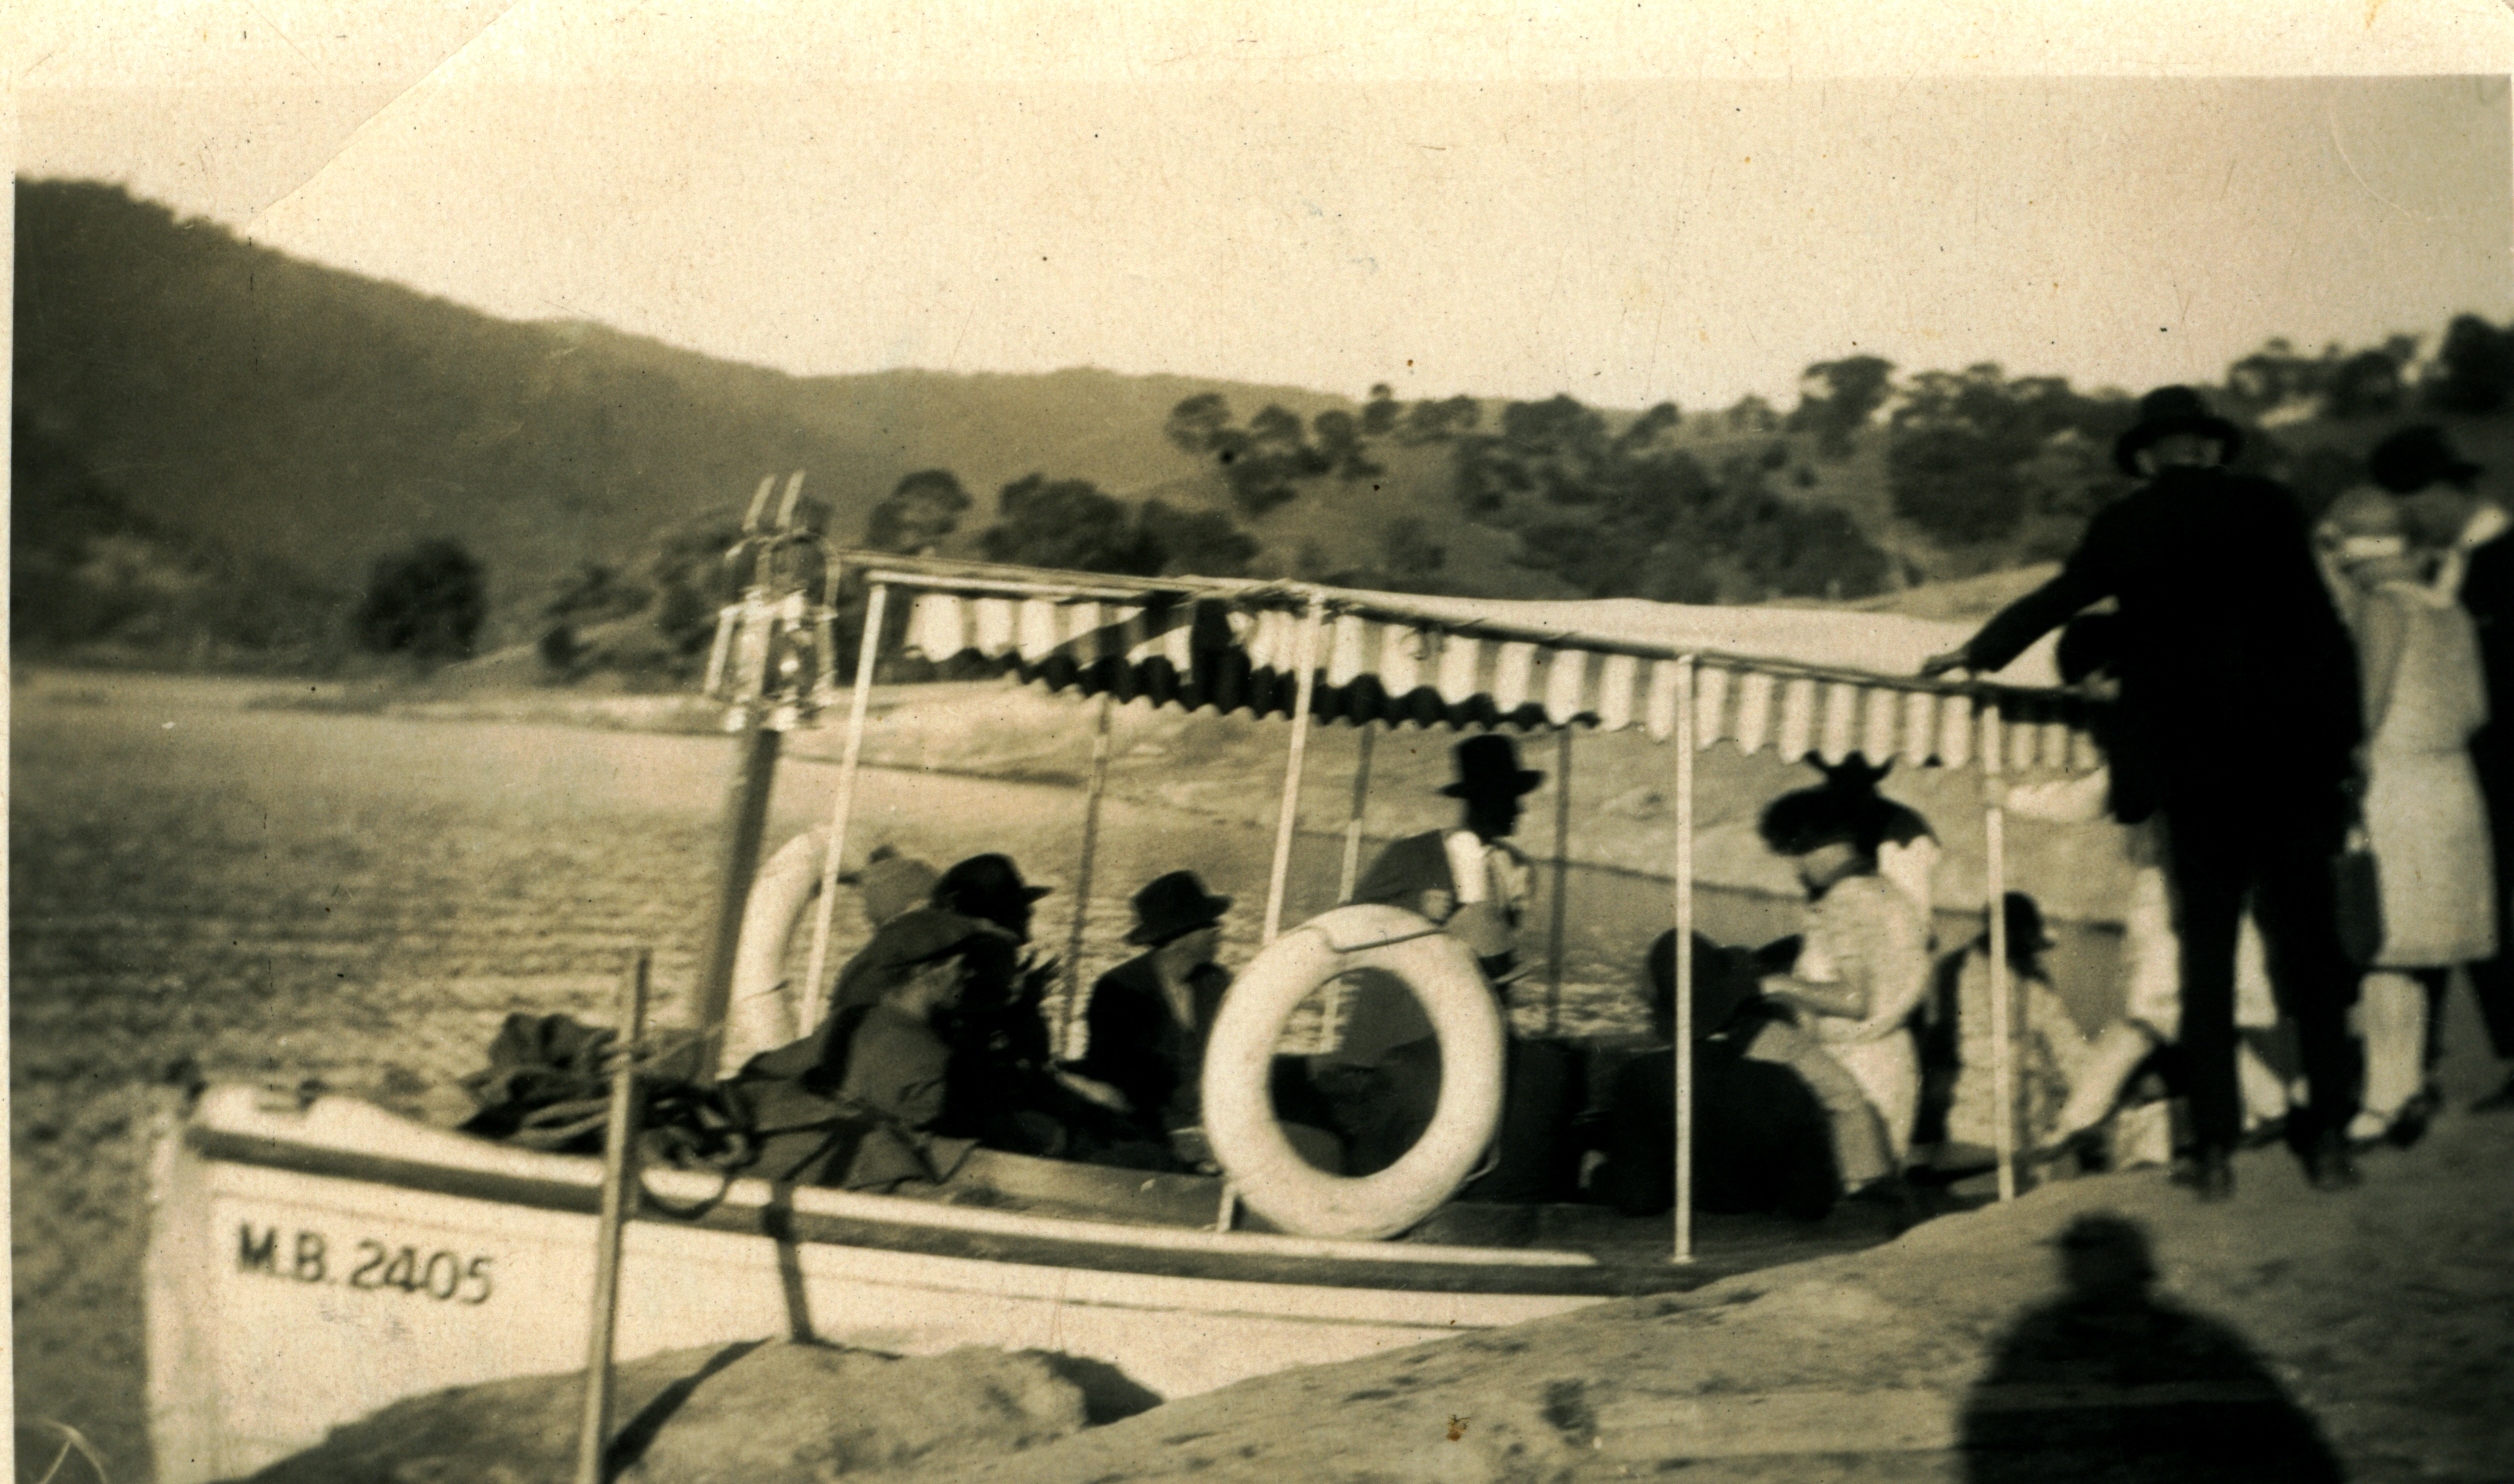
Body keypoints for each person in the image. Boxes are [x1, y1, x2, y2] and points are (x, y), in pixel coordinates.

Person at [1922, 384, 2366, 1199]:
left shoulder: (2126, 525)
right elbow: (2322, 631)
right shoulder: (2270, 507)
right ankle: (2332, 1139)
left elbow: (2060, 598)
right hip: (2288, 772)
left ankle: (2216, 1155)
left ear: (2151, 455)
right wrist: (2342, 746)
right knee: (2310, 957)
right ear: (2211, 447)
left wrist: (1977, 652)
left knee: (2203, 963)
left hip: (2197, 780)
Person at [2007, 614, 2293, 1169]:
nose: (2082, 694)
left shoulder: (2156, 722)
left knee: (2156, 1013)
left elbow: (2103, 795)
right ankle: (2269, 1104)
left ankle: (2077, 1120)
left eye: (2083, 680)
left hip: (2177, 887)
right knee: (2173, 1012)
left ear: (2104, 671)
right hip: (2194, 882)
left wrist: (2015, 800)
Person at [2322, 488, 2496, 1148]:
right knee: (2421, 951)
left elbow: (2362, 707)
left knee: (2381, 944)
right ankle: (2404, 1084)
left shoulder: (2380, 607)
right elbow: (2477, 708)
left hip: (2396, 782)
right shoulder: (2445, 607)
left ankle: (2385, 1098)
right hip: (2453, 779)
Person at [2368, 424, 2514, 1113]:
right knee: (2462, 906)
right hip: (2463, 765)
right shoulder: (2442, 565)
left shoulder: (2506, 558)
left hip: (2505, 757)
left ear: (2455, 489)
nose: (2415, 516)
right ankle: (2419, 1067)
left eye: (2421, 499)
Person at [1580, 931, 1840, 1222]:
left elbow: (1638, 1198)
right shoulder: (1784, 1082)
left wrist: (1598, 1174)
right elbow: (1812, 1201)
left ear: (1664, 1010)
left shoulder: (1641, 1079)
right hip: (1756, 1250)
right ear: (1730, 1001)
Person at [1741, 786, 1918, 1202]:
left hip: (1853, 1071)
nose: (1797, 868)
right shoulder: (1891, 895)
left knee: (1851, 1205)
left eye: (1795, 854)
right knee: (1878, 1208)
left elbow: (1854, 1000)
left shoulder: (1843, 901)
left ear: (1814, 847)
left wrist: (1773, 985)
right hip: (1894, 1062)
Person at [1055, 871, 1236, 1171]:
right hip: (1146, 1128)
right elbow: (1112, 1079)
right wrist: (1174, 1135)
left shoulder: (1216, 983)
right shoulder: (1119, 989)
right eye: (1208, 923)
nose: (1219, 929)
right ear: (1179, 936)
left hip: (1212, 1124)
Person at [1913, 893, 2090, 1168]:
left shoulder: (2026, 979)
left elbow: (2068, 1050)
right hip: (1966, 1122)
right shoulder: (1956, 974)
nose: (2033, 955)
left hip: (2017, 1121)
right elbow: (1937, 1050)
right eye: (2025, 944)